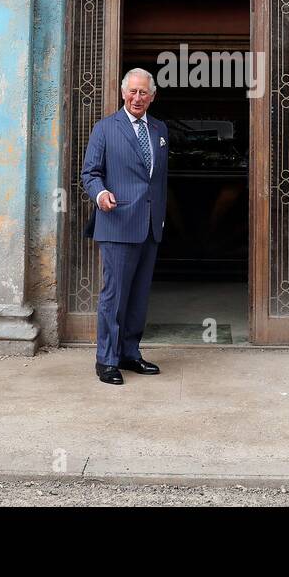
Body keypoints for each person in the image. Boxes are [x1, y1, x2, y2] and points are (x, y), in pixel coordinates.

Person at [80, 67, 168, 385]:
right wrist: (101, 194)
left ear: (152, 96)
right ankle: (106, 359)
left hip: (149, 226)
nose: (137, 97)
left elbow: (157, 180)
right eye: (132, 91)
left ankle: (130, 353)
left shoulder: (160, 130)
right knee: (114, 296)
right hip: (117, 223)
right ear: (122, 93)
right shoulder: (105, 129)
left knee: (139, 296)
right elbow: (90, 173)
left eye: (144, 92)